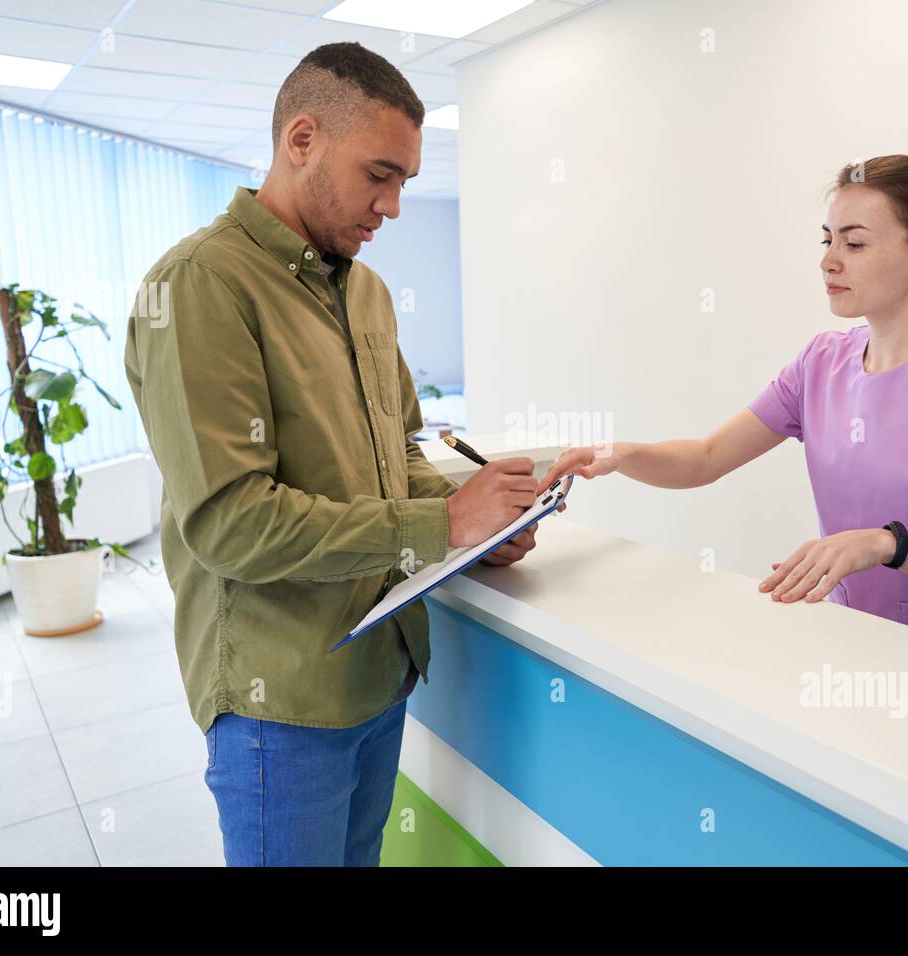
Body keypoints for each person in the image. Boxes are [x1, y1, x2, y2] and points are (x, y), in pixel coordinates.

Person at [124, 42, 541, 867]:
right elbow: (231, 522)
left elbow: (403, 454)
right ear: (302, 139)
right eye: (378, 174)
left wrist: (475, 526)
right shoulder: (201, 287)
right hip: (279, 701)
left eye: (405, 184)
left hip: (379, 674)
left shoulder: (367, 290)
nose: (390, 206)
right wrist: (439, 521)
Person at [540, 154, 908, 677]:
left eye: (855, 243)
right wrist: (620, 454)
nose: (829, 260)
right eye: (828, 240)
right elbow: (705, 459)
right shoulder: (821, 362)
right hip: (863, 647)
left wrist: (890, 544)